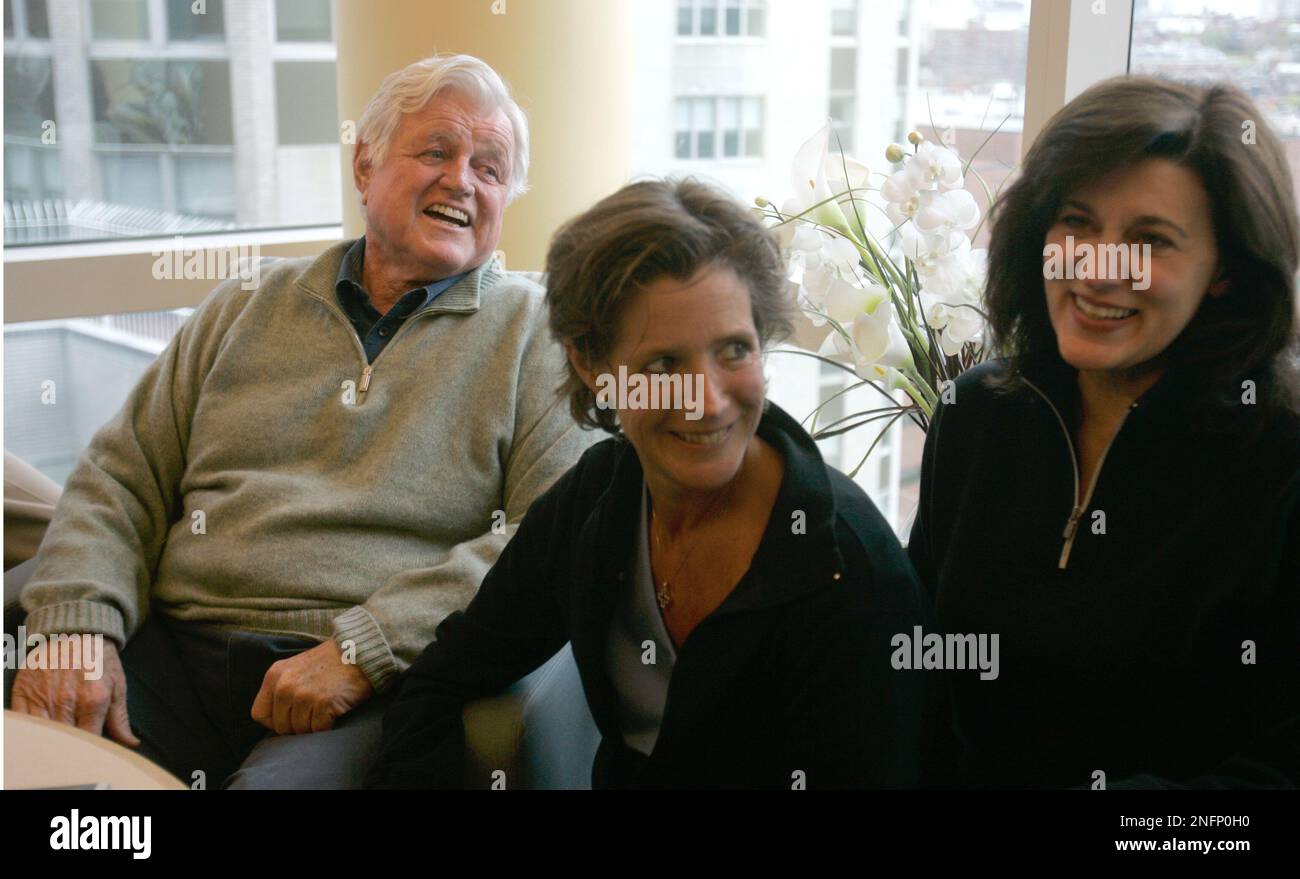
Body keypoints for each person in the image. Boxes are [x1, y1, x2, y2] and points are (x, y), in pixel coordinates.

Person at [6, 54, 597, 789]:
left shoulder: (535, 333)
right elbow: (119, 478)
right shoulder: (247, 303)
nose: (462, 180)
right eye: (437, 151)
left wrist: (366, 646)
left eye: (492, 168)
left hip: (352, 682)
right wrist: (73, 626)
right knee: (55, 794)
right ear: (364, 164)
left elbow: (547, 537)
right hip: (169, 648)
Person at [366, 178, 944, 790]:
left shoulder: (848, 573)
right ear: (593, 368)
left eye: (734, 352)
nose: (709, 401)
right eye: (664, 365)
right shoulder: (596, 499)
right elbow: (444, 677)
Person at [908, 75, 1300, 789]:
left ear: (1226, 271)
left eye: (1150, 240)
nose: (1095, 269)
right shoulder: (977, 415)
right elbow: (919, 678)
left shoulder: (1281, 461)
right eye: (1077, 223)